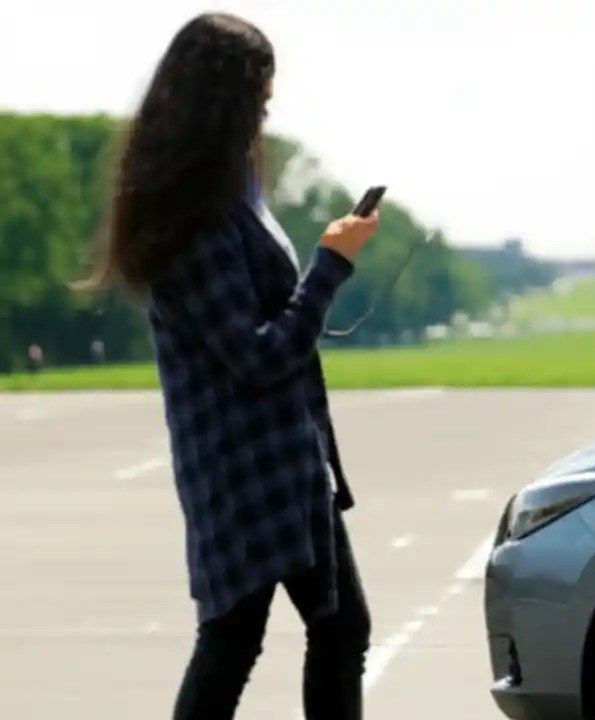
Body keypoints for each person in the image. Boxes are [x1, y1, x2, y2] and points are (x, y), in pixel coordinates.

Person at [75, 12, 378, 719]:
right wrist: (331, 264)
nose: (263, 121)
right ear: (223, 104)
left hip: (284, 462)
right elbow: (258, 354)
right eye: (258, 104)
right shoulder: (193, 221)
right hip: (244, 469)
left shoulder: (222, 195)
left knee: (331, 629)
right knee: (237, 638)